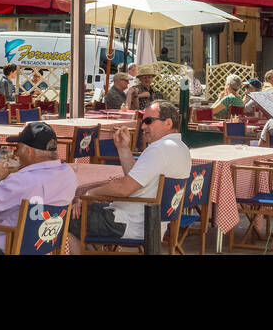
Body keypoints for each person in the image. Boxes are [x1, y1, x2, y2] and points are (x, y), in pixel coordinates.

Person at [69, 101, 191, 244]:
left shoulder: (159, 149)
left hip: (129, 223)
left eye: (148, 121)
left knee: (63, 218)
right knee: (77, 215)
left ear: (168, 123)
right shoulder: (182, 148)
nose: (143, 126)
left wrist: (89, 194)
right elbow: (135, 179)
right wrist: (123, 148)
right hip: (150, 225)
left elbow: (124, 189)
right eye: (143, 121)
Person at [0, 122, 78, 255]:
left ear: (29, 151)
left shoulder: (23, 180)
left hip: (4, 248)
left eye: (18, 148)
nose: (16, 153)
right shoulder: (68, 175)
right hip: (41, 248)